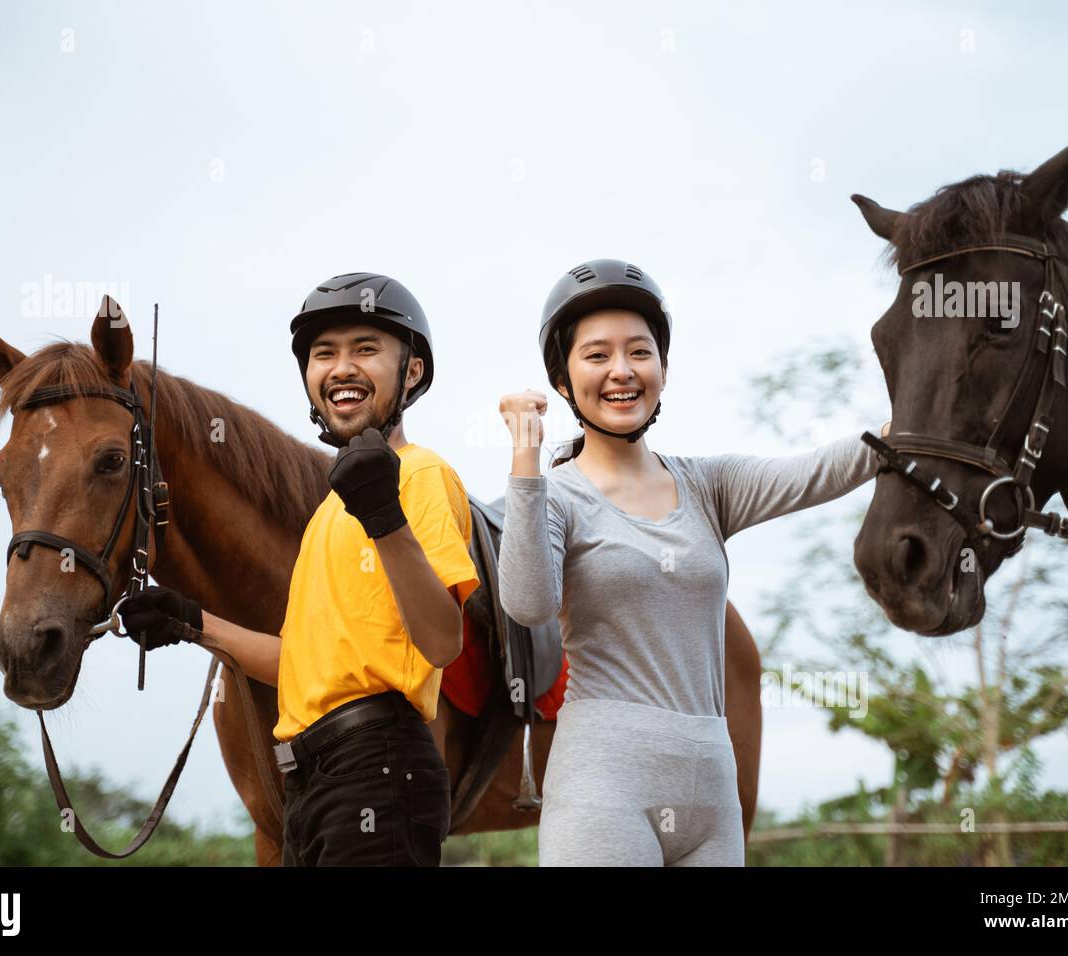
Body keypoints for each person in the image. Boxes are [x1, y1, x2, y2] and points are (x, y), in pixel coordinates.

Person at [497, 258, 889, 866]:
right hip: (604, 782)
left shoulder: (710, 485)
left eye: (639, 352)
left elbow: (816, 471)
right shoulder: (558, 499)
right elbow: (527, 601)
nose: (622, 371)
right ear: (564, 379)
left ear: (662, 368)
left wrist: (905, 433)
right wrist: (525, 454)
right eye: (597, 355)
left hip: (711, 780)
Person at [120, 272, 479, 867]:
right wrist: (191, 622)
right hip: (312, 784)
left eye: (365, 349)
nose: (341, 367)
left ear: (412, 372)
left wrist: (383, 516)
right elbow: (299, 665)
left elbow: (442, 641)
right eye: (324, 354)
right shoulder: (326, 516)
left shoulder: (420, 474)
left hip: (379, 767)